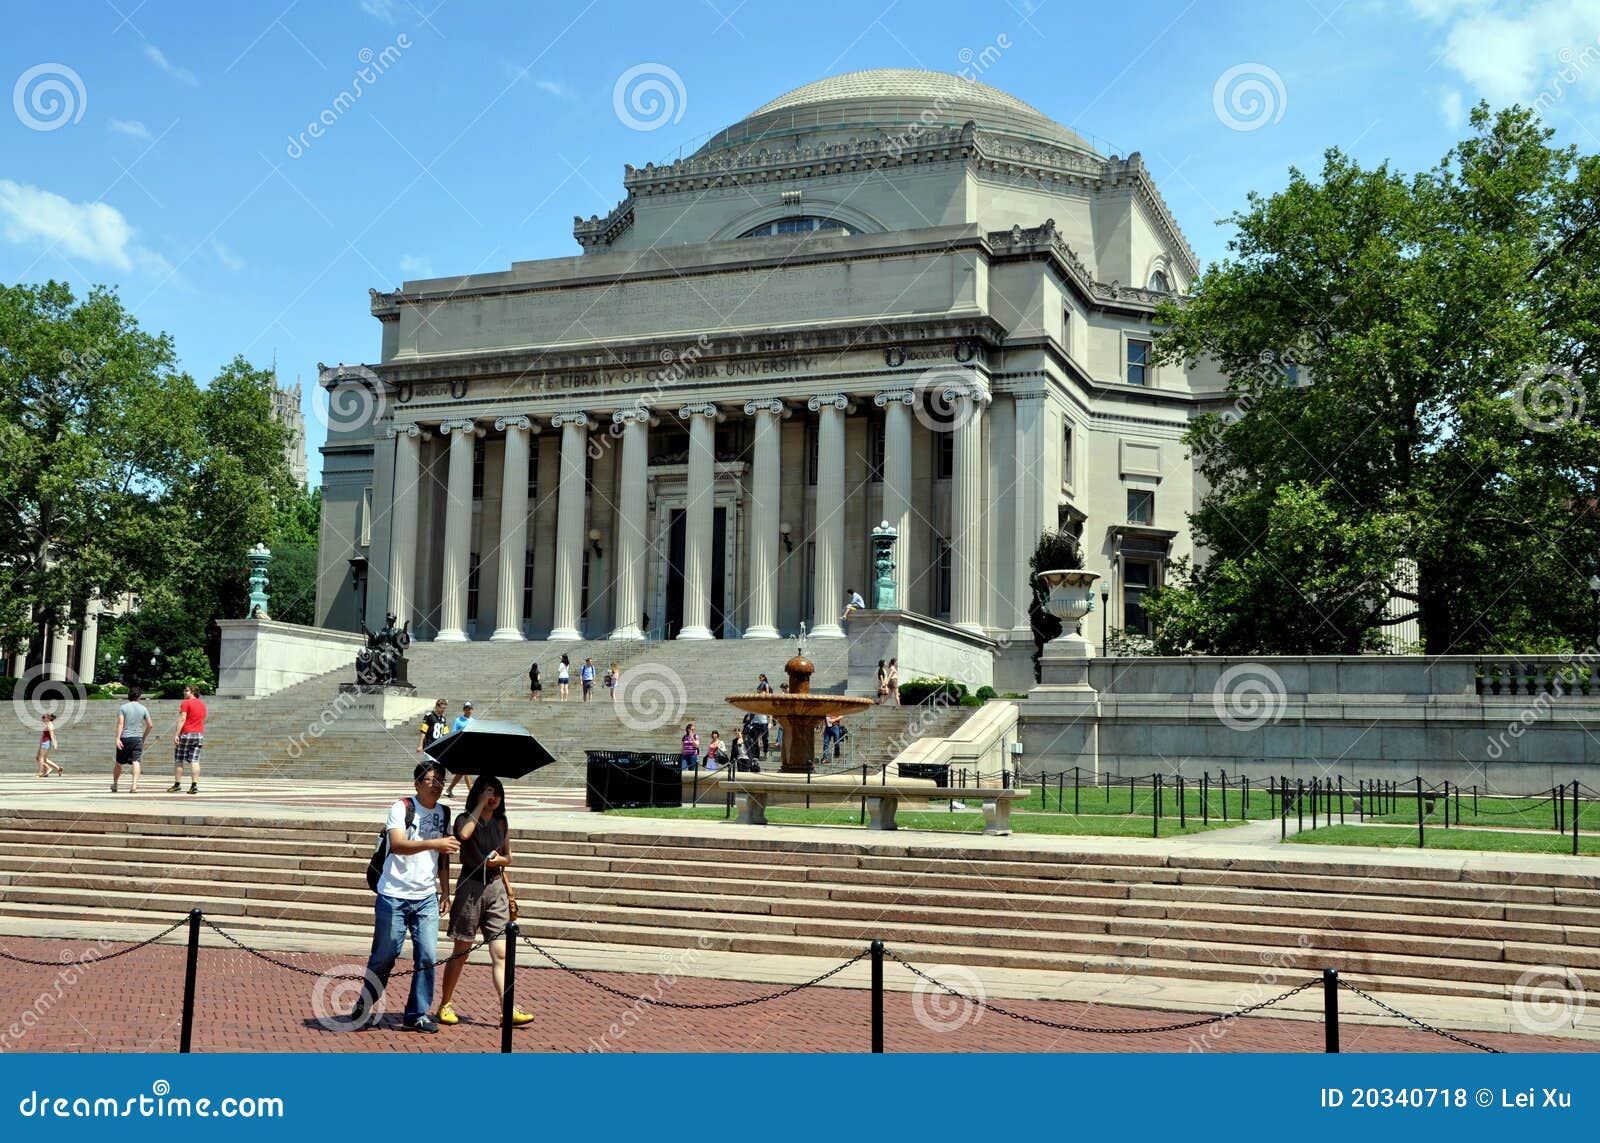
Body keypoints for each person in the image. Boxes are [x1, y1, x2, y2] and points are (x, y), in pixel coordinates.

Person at [350, 760, 458, 1033]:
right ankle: (367, 999)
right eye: (431, 780)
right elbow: (397, 844)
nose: (436, 785)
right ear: (417, 783)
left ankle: (417, 1014)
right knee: (385, 955)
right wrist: (434, 843)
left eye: (440, 781)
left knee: (427, 955)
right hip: (394, 894)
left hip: (425, 897)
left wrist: (445, 890)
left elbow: (443, 858)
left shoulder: (445, 812)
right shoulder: (402, 807)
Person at [435, 775, 534, 1029]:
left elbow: (509, 857)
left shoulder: (501, 822)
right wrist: (479, 804)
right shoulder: (463, 819)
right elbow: (465, 835)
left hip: (495, 887)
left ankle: (506, 1008)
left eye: (497, 792)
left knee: (501, 953)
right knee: (462, 951)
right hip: (470, 888)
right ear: (478, 793)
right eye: (488, 792)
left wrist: (499, 861)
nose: (494, 797)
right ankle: (445, 1003)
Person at [167, 683, 206, 794]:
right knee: (195, 761)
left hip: (187, 734)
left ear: (193, 692)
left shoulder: (186, 703)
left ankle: (177, 785)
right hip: (198, 734)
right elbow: (202, 718)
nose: (184, 692)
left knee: (179, 760)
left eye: (187, 690)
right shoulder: (202, 704)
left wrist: (176, 734)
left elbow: (182, 718)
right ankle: (194, 786)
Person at [112, 689, 153, 793]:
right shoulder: (143, 708)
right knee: (136, 761)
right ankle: (134, 785)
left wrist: (117, 738)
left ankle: (115, 784)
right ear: (139, 697)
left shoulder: (123, 708)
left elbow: (120, 724)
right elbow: (150, 725)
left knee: (119, 762)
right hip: (137, 738)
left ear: (128, 696)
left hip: (125, 738)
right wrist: (143, 737)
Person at [445, 701, 474, 797]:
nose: (468, 710)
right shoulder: (458, 720)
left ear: (472, 709)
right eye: (466, 708)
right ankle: (472, 793)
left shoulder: (474, 721)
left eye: (469, 708)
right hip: (461, 747)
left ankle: (449, 789)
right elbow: (453, 732)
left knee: (462, 772)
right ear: (463, 709)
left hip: (470, 748)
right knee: (466, 771)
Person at [35, 712, 62, 777]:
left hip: (46, 743)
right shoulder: (48, 725)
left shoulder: (50, 725)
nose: (42, 719)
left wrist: (55, 744)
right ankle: (58, 768)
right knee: (44, 759)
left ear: (48, 718)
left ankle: (41, 772)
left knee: (40, 758)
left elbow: (52, 735)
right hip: (44, 743)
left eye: (44, 717)